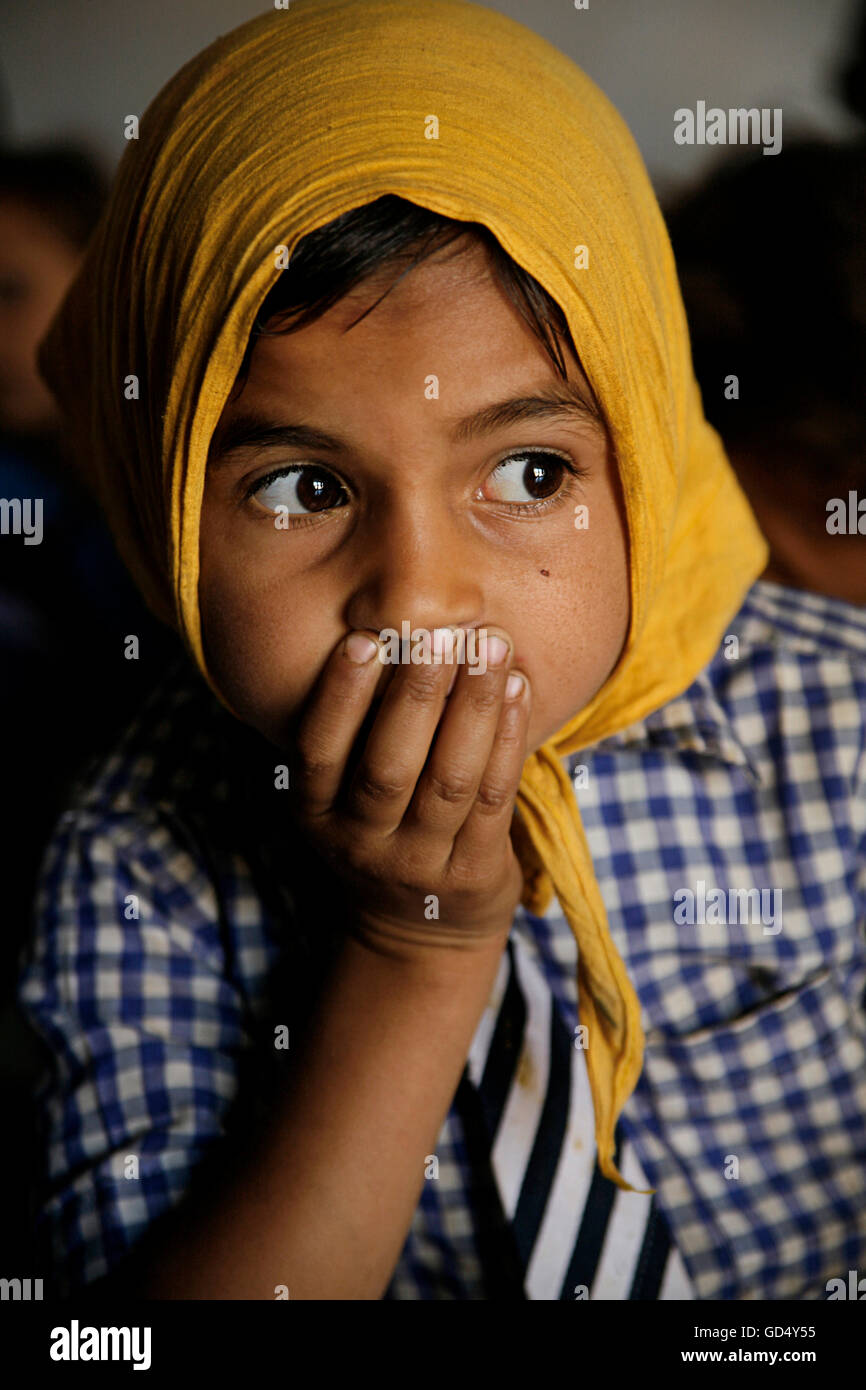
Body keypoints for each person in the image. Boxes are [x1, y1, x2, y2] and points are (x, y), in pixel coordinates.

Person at [16, 0, 866, 1301]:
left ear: (643, 445)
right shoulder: (135, 855)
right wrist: (413, 954)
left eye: (529, 471)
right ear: (154, 500)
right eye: (301, 487)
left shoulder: (839, 723)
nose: (420, 597)